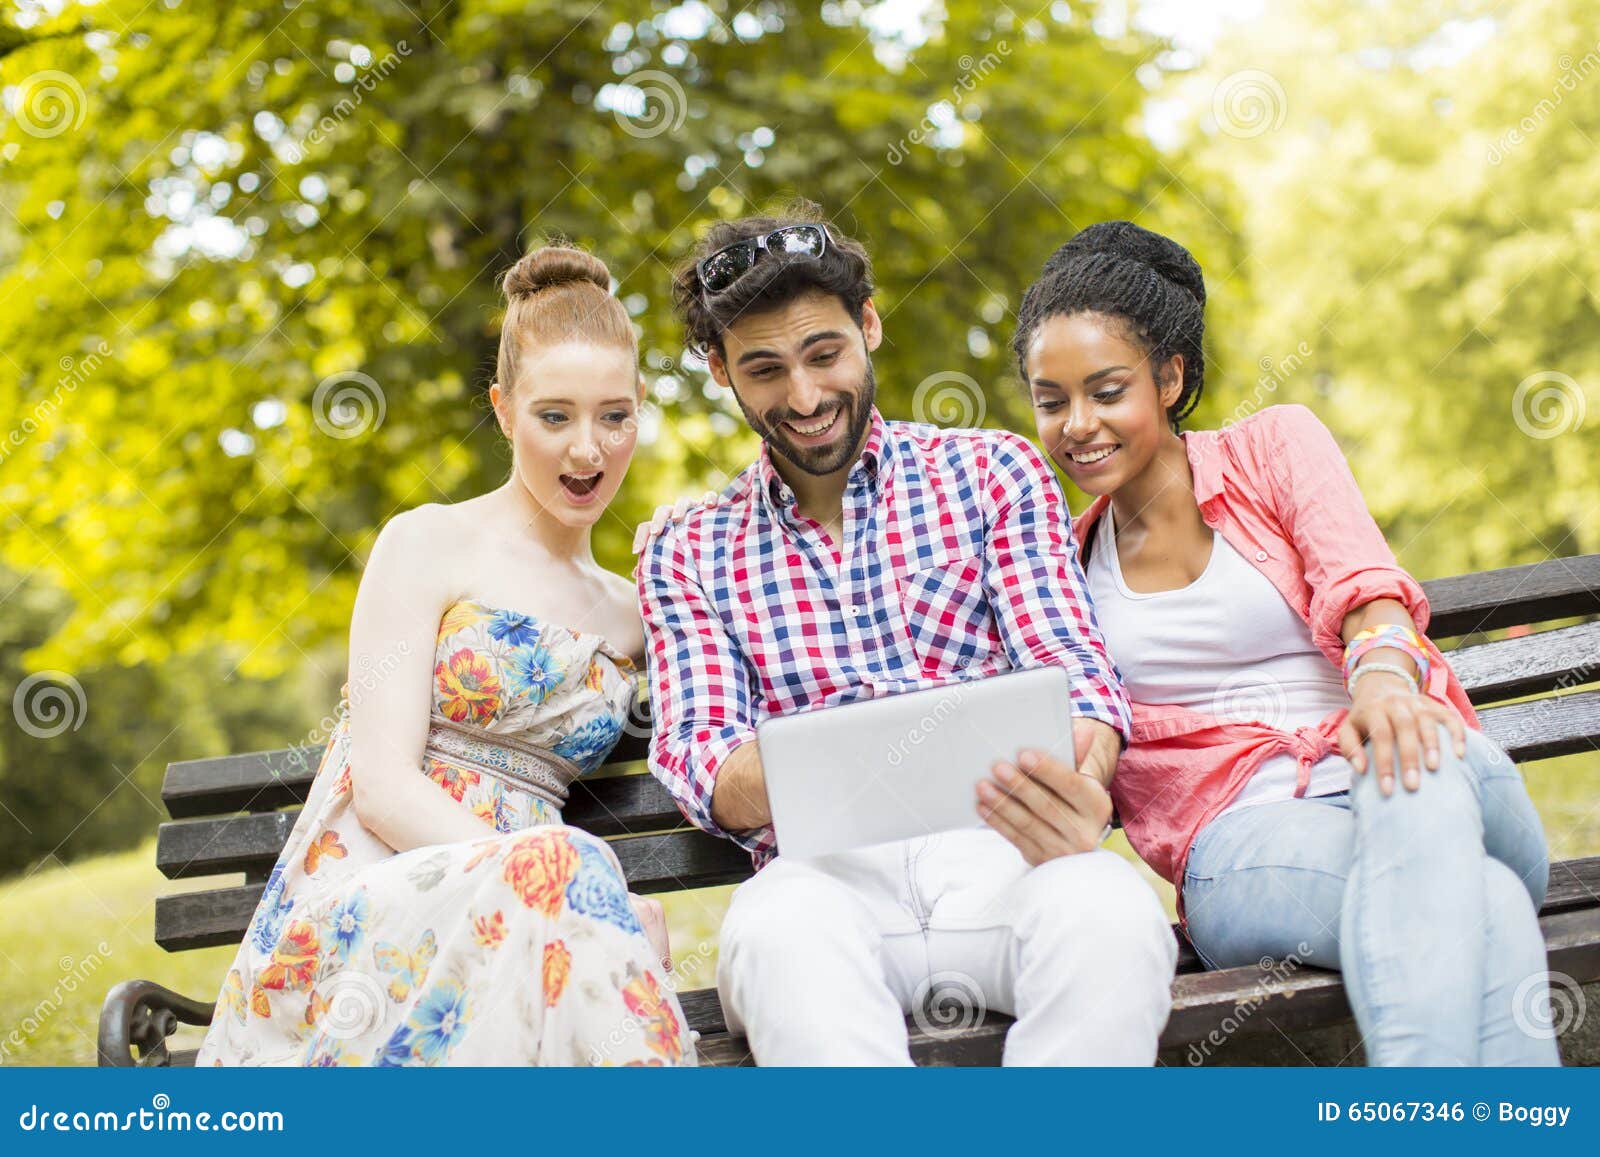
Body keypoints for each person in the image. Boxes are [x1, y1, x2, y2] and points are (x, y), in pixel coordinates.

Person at [636, 205, 1177, 1066]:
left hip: (1006, 857)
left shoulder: (993, 471)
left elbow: (1075, 674)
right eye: (766, 369)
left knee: (1114, 918)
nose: (806, 397)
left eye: (825, 354)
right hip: (821, 885)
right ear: (719, 370)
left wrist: (1082, 776)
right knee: (778, 942)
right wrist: (825, 770)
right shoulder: (687, 548)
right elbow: (704, 755)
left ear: (870, 323)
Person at [1014, 220, 1556, 1065]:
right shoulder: (1062, 563)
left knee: (1405, 772)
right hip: (1246, 843)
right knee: (1480, 899)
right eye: (1053, 401)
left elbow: (1365, 585)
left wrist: (1381, 683)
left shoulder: (1273, 447)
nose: (1078, 424)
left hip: (1412, 757)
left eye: (1106, 390)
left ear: (1170, 376)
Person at [197, 247, 694, 1067]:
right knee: (567, 874)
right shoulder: (427, 540)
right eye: (554, 415)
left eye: (614, 415)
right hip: (378, 888)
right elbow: (384, 786)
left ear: (642, 408)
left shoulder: (632, 607)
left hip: (547, 916)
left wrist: (692, 551)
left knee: (569, 920)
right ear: (503, 410)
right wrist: (577, 873)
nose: (587, 450)